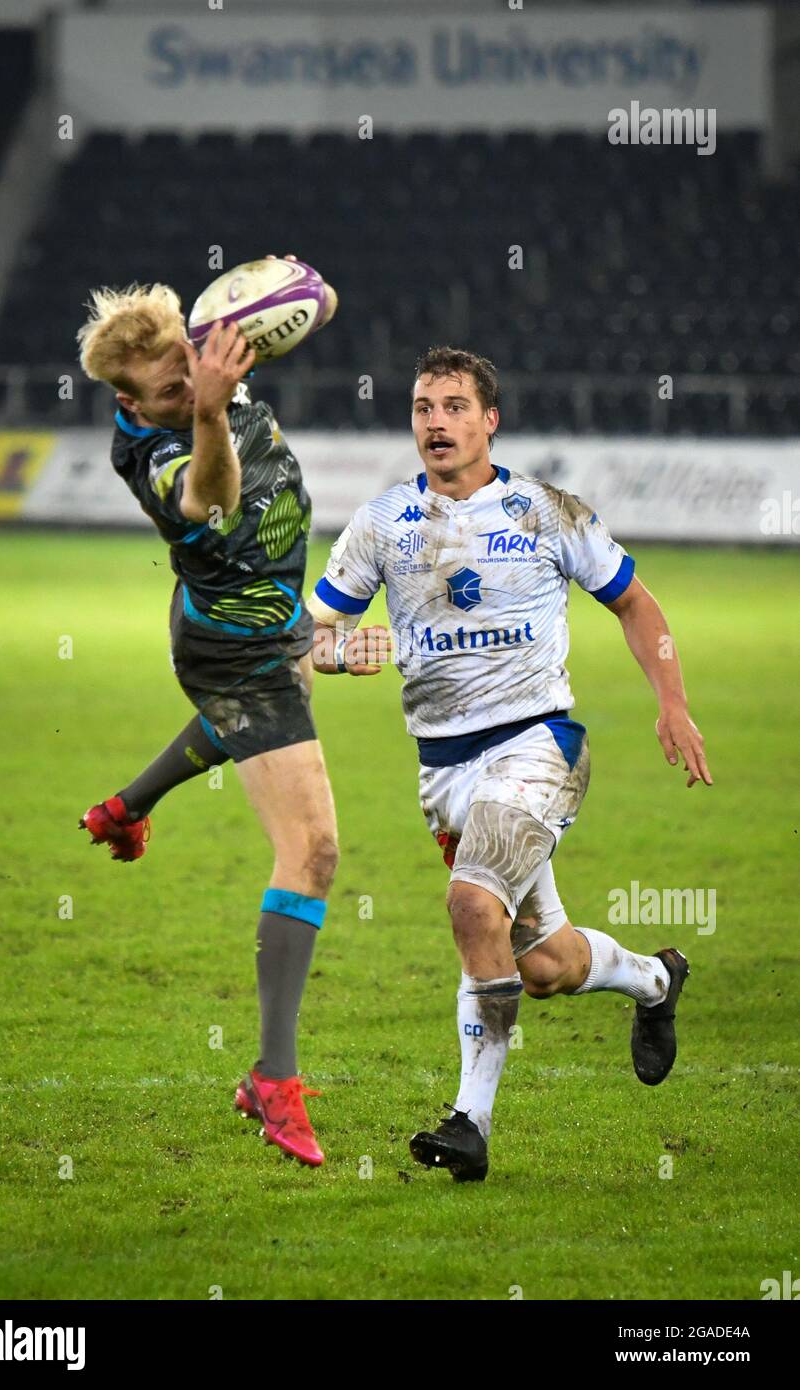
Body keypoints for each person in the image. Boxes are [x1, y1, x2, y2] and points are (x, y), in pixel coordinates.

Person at [307, 345, 712, 1182]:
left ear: (490, 419)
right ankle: (652, 981)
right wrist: (345, 654)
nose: (436, 423)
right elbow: (309, 639)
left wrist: (671, 702)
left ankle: (470, 1124)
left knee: (468, 905)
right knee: (544, 963)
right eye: (423, 407)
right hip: (445, 772)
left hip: (538, 747)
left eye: (454, 406)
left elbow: (634, 601)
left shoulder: (544, 510)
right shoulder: (383, 525)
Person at [75, 271, 339, 1167]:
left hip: (267, 618)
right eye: (169, 391)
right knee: (313, 850)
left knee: (259, 742)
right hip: (236, 648)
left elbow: (323, 297)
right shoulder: (155, 452)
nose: (188, 389)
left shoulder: (203, 358)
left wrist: (270, 309)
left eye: (190, 370)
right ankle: (274, 1077)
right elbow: (214, 501)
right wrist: (214, 413)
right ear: (130, 400)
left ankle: (127, 805)